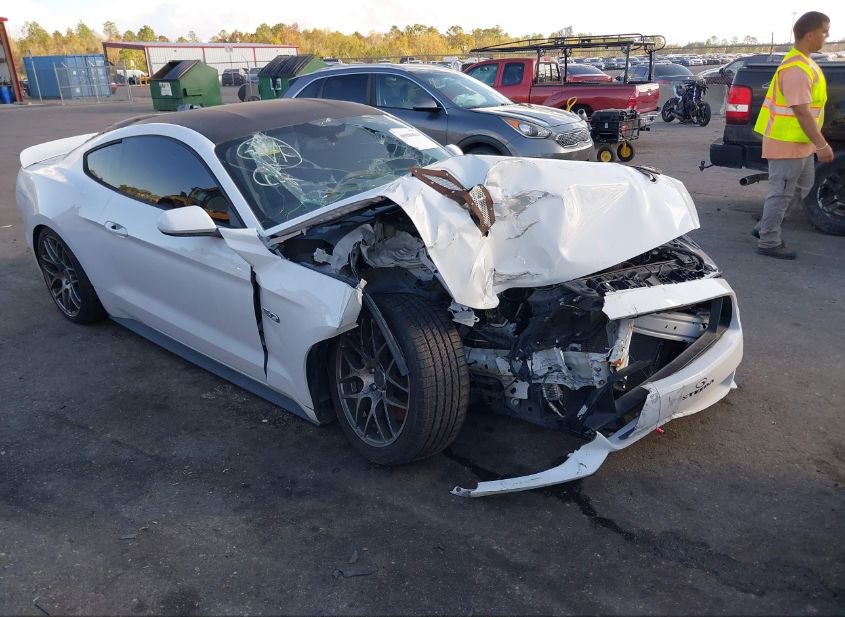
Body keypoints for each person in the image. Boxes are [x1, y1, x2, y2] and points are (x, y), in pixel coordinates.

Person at [752, 11, 834, 259]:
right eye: (824, 32)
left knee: (803, 187)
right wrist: (822, 145)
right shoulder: (797, 68)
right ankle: (768, 241)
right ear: (810, 35)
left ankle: (765, 225)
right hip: (787, 142)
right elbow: (801, 111)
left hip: (801, 143)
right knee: (782, 192)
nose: (826, 37)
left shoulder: (805, 62)